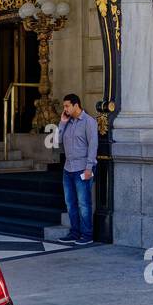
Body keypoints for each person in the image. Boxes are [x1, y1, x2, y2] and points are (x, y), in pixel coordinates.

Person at [59, 94, 99, 245]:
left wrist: (89, 167)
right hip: (68, 168)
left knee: (84, 203)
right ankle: (74, 232)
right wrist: (62, 123)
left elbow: (93, 145)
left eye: (67, 106)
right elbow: (57, 142)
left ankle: (87, 235)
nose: (65, 109)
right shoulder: (67, 122)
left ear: (76, 105)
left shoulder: (89, 122)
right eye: (64, 106)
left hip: (82, 168)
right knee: (70, 203)